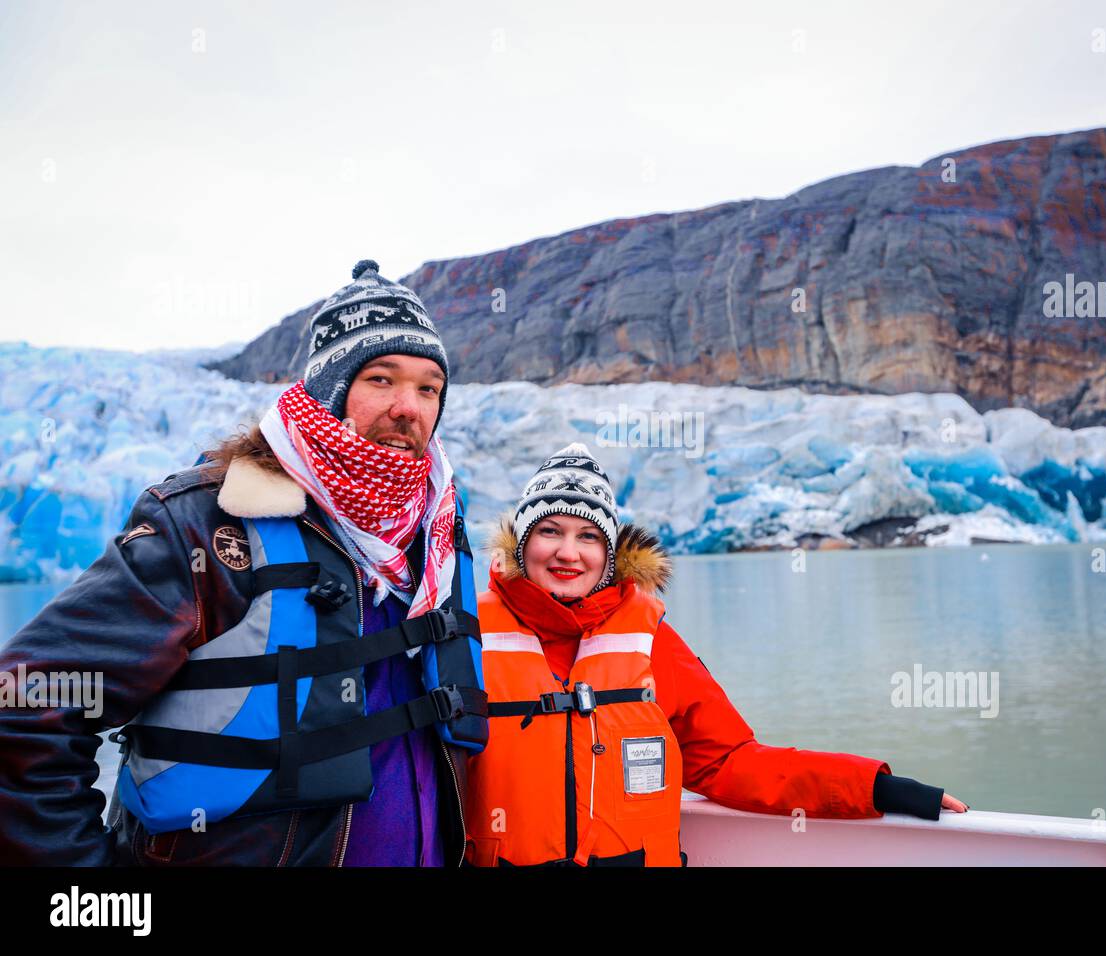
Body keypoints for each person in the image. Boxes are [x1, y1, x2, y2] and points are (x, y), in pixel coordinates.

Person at [0, 260, 487, 866]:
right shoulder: (206, 523)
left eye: (428, 387)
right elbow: (25, 704)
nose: (408, 407)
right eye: (381, 379)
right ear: (329, 390)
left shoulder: (436, 533)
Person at [465, 442, 968, 867]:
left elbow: (730, 762)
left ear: (611, 554)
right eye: (549, 531)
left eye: (588, 536)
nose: (568, 553)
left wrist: (877, 789)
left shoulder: (651, 640)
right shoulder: (469, 635)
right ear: (521, 542)